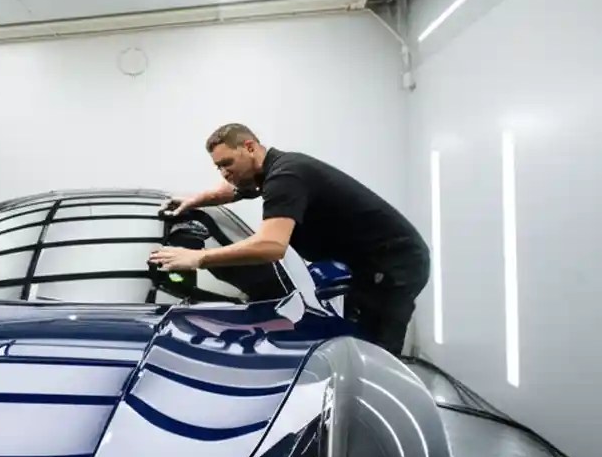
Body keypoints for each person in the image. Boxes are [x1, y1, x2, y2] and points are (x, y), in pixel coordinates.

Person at [149, 123, 430, 355]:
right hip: (374, 263)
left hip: (395, 264)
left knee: (378, 351)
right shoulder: (275, 169)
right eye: (218, 167)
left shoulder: (286, 177)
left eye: (227, 163)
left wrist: (197, 258)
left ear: (249, 147)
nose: (224, 172)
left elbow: (271, 246)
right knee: (361, 340)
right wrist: (194, 200)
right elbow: (234, 191)